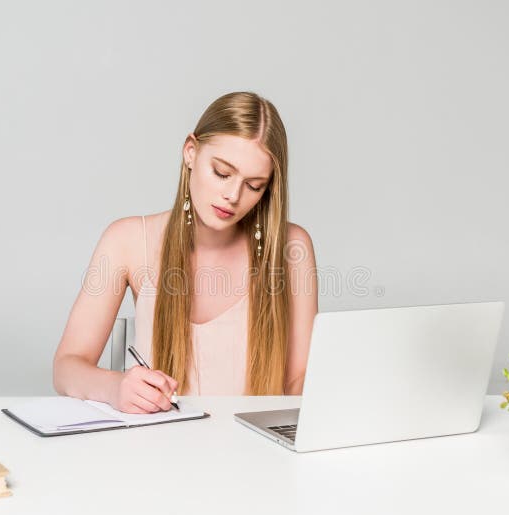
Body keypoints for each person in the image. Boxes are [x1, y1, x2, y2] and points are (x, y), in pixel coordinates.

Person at [52, 91, 318, 414]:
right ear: (190, 153)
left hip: (254, 458)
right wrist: (116, 387)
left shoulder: (292, 249)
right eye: (222, 172)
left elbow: (298, 384)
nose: (232, 196)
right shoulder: (127, 240)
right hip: (159, 454)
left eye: (254, 185)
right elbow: (66, 368)